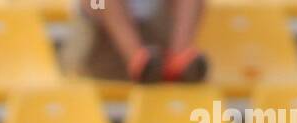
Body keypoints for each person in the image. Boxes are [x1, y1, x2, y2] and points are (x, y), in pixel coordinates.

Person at [64, 0, 208, 84]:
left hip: (153, 37)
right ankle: (140, 62)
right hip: (100, 42)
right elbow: (96, 6)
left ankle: (178, 59)